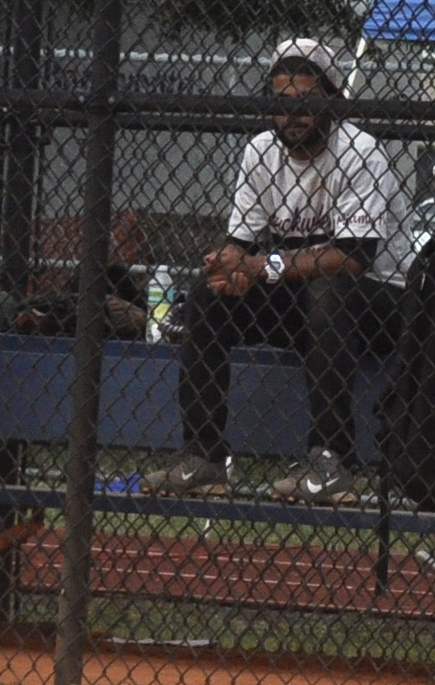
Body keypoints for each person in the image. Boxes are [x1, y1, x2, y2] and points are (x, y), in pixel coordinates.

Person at [143, 39, 408, 506]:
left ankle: (333, 460)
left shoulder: (360, 151)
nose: (293, 115)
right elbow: (241, 243)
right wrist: (227, 265)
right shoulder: (260, 152)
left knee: (329, 289)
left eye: (305, 101)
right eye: (281, 104)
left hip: (379, 303)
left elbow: (352, 257)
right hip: (305, 302)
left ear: (332, 99)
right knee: (209, 297)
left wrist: (262, 266)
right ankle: (203, 453)